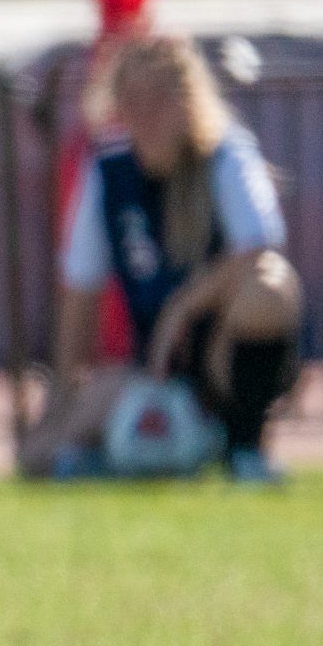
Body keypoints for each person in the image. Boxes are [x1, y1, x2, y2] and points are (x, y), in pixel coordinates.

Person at [23, 34, 303, 483]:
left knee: (270, 288)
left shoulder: (226, 153)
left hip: (221, 356)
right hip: (152, 367)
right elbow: (80, 292)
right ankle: (121, 454)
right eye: (132, 100)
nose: (146, 114)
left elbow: (261, 248)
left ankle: (244, 447)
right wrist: (59, 402)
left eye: (159, 98)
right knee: (41, 454)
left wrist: (185, 306)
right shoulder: (109, 169)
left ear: (188, 99)